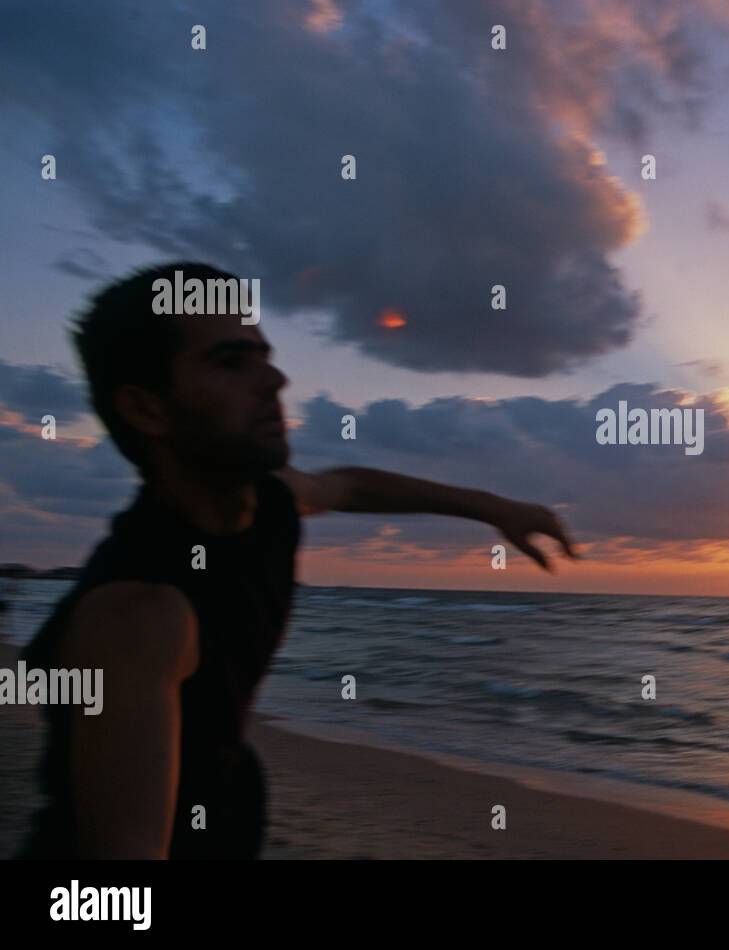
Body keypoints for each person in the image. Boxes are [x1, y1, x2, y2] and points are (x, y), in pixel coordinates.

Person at [16, 262, 577, 859]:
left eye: (263, 355)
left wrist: (497, 508)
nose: (275, 379)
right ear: (146, 409)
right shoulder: (138, 616)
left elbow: (348, 488)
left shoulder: (270, 502)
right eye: (233, 363)